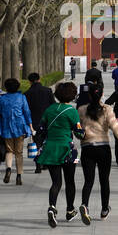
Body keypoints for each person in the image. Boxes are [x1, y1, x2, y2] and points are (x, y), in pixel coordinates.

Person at [77, 81, 118, 222]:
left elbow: (77, 130)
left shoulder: (81, 110)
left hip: (87, 148)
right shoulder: (107, 109)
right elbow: (116, 129)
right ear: (102, 94)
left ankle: (85, 204)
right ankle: (104, 210)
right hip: (103, 148)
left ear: (89, 95)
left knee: (88, 181)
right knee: (104, 180)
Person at [38, 81, 82, 227]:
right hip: (67, 149)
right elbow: (79, 133)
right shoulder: (72, 111)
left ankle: (52, 207)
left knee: (56, 182)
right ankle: (70, 210)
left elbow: (41, 129)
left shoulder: (49, 110)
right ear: (72, 95)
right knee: (70, 182)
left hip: (50, 148)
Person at [0, 77, 33, 186]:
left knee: (9, 151)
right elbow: (26, 112)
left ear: (6, 87)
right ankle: (19, 175)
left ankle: (8, 169)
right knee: (19, 153)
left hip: (6, 127)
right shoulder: (22, 97)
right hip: (20, 127)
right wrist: (30, 125)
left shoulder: (1, 99)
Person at [25, 72, 54, 174]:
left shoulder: (27, 93)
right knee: (46, 142)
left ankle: (38, 165)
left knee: (37, 143)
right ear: (39, 79)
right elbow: (53, 105)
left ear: (29, 81)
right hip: (47, 121)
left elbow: (26, 109)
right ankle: (45, 163)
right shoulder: (48, 91)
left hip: (34, 122)